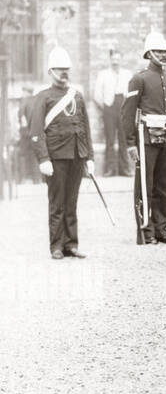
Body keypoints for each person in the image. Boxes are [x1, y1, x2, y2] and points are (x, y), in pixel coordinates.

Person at [33, 46, 94, 259]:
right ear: (50, 72)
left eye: (66, 68)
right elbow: (36, 131)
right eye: (59, 69)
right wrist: (43, 158)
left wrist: (90, 157)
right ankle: (56, 246)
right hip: (56, 158)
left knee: (72, 202)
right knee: (57, 203)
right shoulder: (43, 97)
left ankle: (71, 244)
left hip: (77, 156)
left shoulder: (76, 96)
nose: (63, 72)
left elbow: (85, 128)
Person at [120, 30, 166, 245]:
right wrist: (130, 143)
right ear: (148, 53)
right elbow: (127, 113)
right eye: (158, 51)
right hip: (146, 138)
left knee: (164, 185)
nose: (163, 55)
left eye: (165, 51)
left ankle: (162, 228)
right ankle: (146, 230)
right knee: (146, 184)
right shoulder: (139, 79)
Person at [92, 48, 132, 175]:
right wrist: (105, 107)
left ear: (121, 60)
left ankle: (124, 169)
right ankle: (109, 169)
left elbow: (131, 93)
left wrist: (127, 108)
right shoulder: (103, 74)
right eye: (113, 59)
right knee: (110, 140)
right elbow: (97, 94)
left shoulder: (127, 74)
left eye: (118, 59)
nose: (115, 62)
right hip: (109, 107)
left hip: (123, 107)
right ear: (110, 60)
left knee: (123, 140)